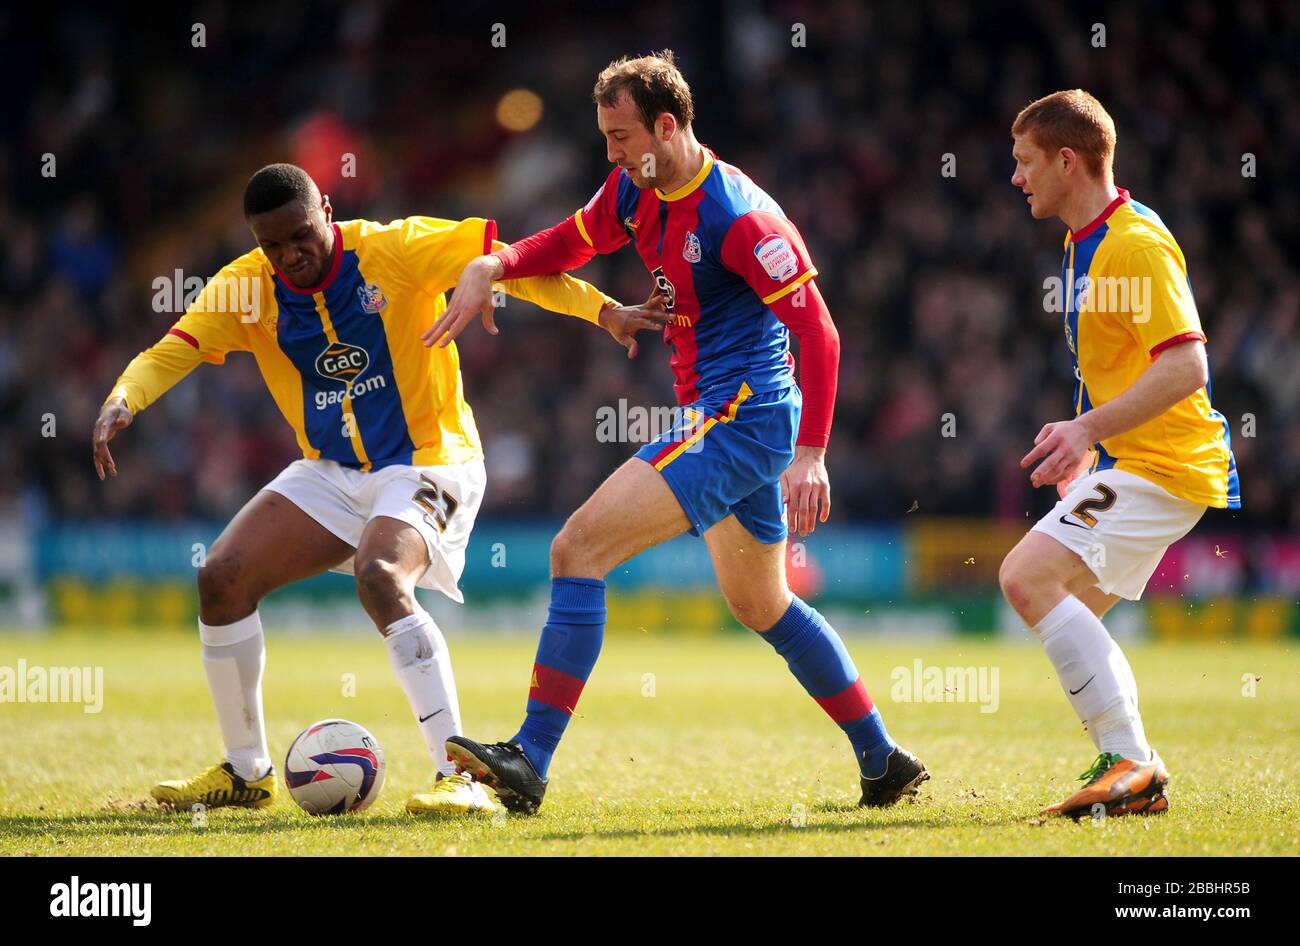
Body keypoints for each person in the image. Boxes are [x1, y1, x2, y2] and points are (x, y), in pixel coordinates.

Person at [421, 51, 928, 815]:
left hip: (743, 418)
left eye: (622, 136)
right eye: (605, 138)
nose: (613, 154)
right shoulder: (635, 187)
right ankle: (882, 760)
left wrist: (813, 454)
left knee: (575, 548)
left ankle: (530, 757)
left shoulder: (742, 217)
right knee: (763, 605)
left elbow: (818, 335)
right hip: (719, 416)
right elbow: (572, 242)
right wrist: (496, 262)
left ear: (667, 124)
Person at [92, 163, 665, 817]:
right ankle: (246, 772)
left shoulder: (393, 249)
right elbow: (175, 348)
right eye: (271, 245)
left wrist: (604, 309)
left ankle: (461, 775)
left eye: (300, 235)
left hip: (432, 461)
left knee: (380, 573)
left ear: (327, 210)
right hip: (332, 471)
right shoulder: (248, 288)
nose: (290, 255)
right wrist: (124, 398)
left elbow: (512, 267)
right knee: (220, 578)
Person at [1003, 90, 1240, 819]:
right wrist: (1086, 435)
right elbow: (1119, 362)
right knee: (1059, 600)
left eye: (1025, 162)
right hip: (1132, 461)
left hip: (1165, 464)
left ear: (1067, 161)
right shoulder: (1081, 241)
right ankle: (1130, 769)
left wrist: (1085, 431)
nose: (1016, 178)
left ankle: (1132, 761)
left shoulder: (1134, 242)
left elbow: (1186, 366)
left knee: (1025, 578)